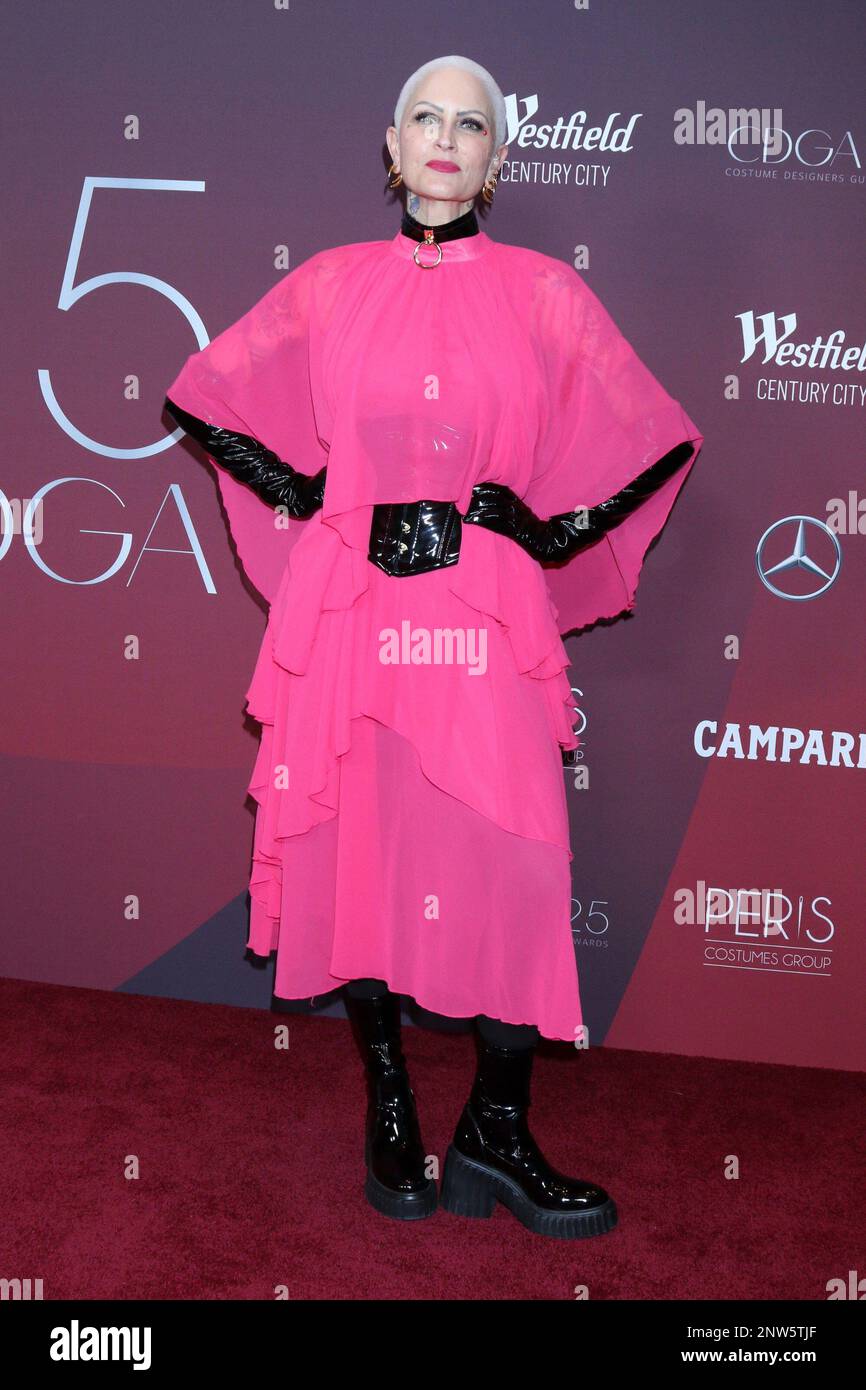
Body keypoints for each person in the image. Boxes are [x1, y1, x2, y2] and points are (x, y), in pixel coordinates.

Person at [164, 55, 703, 1240]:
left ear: (495, 158)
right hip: (356, 610)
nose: (447, 138)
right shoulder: (329, 284)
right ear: (392, 145)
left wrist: (548, 524)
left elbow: (654, 433)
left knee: (513, 858)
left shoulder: (544, 294)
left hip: (483, 618)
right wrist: (310, 494)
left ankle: (496, 1131)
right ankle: (392, 1109)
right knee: (359, 842)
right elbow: (201, 398)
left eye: (472, 123)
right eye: (427, 118)